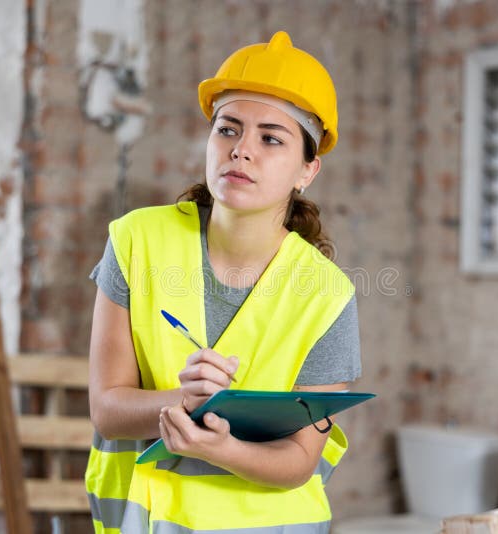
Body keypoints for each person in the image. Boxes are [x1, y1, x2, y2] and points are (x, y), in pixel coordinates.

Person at [85, 30, 361, 533]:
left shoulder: (327, 295)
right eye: (228, 129)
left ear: (308, 170)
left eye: (270, 138)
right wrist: (182, 402)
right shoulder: (136, 241)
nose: (241, 150)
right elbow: (107, 408)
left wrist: (226, 449)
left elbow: (300, 459)